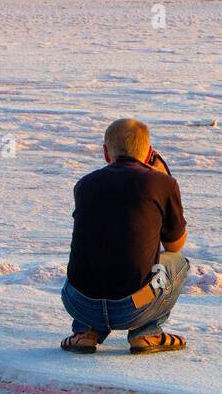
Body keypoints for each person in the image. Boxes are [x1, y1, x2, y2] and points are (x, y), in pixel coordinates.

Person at [60, 118, 189, 354]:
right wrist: (164, 178)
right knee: (178, 263)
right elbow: (175, 244)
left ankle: (85, 332)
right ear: (149, 152)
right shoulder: (163, 183)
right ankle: (146, 334)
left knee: (96, 244)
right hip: (132, 308)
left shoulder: (84, 184)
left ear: (106, 154)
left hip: (78, 303)